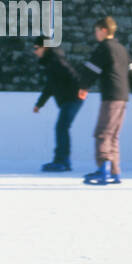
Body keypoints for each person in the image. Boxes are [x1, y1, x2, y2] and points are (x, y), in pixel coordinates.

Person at [76, 16, 132, 185]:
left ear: (104, 30)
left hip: (111, 96)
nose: (95, 34)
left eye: (96, 31)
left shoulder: (104, 48)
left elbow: (91, 70)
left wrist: (84, 87)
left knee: (102, 133)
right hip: (123, 97)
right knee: (113, 135)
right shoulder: (122, 49)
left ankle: (103, 169)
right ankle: (115, 171)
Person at [32, 42, 85, 172]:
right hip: (70, 100)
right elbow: (50, 86)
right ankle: (63, 160)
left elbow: (74, 76)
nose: (35, 51)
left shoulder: (56, 62)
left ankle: (61, 161)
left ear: (44, 47)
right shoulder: (51, 62)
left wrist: (82, 89)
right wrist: (39, 104)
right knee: (62, 128)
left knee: (61, 127)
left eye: (36, 48)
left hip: (73, 99)